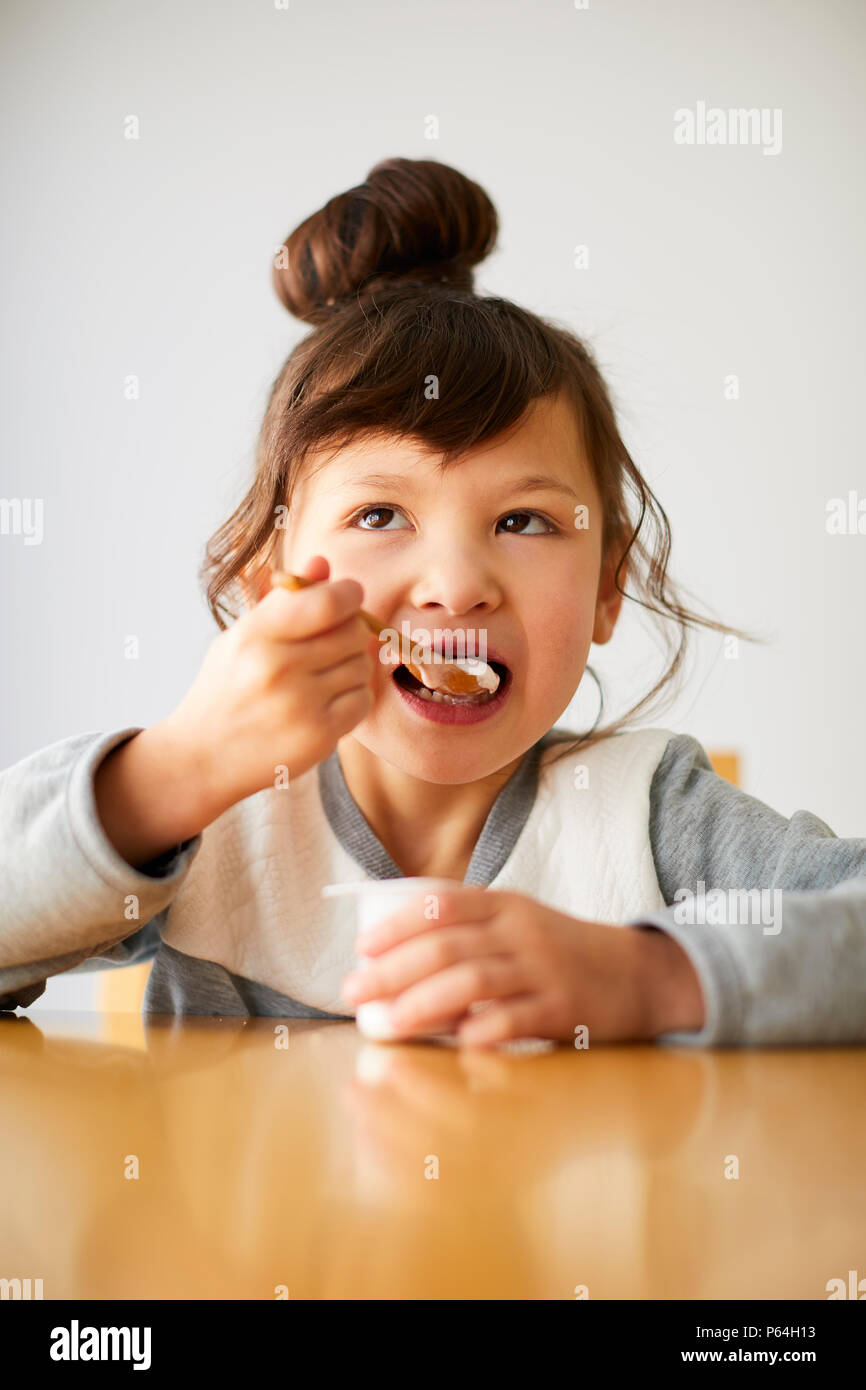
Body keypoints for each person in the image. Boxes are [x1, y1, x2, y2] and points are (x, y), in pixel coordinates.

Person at [2, 157, 864, 1047]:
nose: (455, 586)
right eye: (381, 514)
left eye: (524, 521)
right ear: (272, 586)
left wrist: (644, 977)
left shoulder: (650, 820)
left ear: (609, 589)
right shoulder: (214, 821)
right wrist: (172, 776)